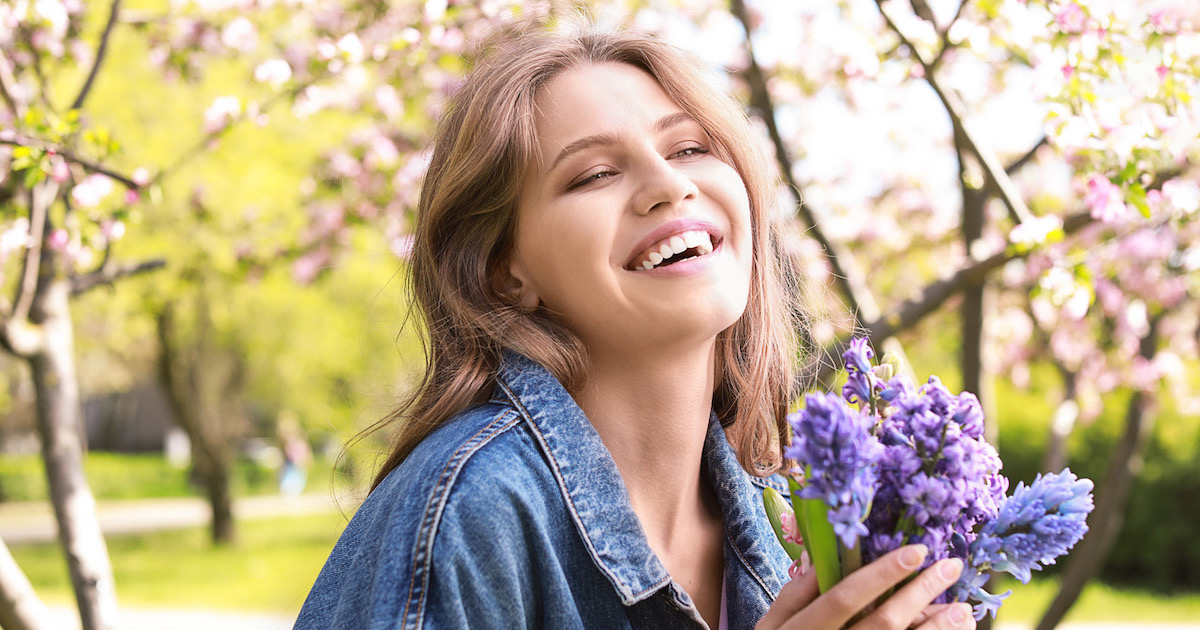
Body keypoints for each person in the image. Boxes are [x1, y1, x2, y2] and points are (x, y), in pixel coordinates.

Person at [295, 20, 974, 630]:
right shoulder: (473, 514)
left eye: (687, 149)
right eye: (592, 175)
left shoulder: (790, 523)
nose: (667, 184)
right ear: (506, 272)